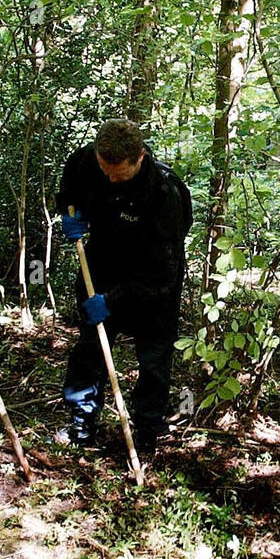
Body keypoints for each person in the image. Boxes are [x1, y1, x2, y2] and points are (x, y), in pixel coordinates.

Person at [55, 119, 192, 457]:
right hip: (102, 265)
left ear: (140, 157)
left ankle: (147, 431)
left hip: (153, 279)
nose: (111, 179)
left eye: (120, 174)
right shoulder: (88, 161)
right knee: (91, 348)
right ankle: (82, 422)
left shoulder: (164, 191)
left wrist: (114, 300)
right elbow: (70, 190)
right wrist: (70, 214)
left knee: (155, 355)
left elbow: (163, 271)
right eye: (106, 171)